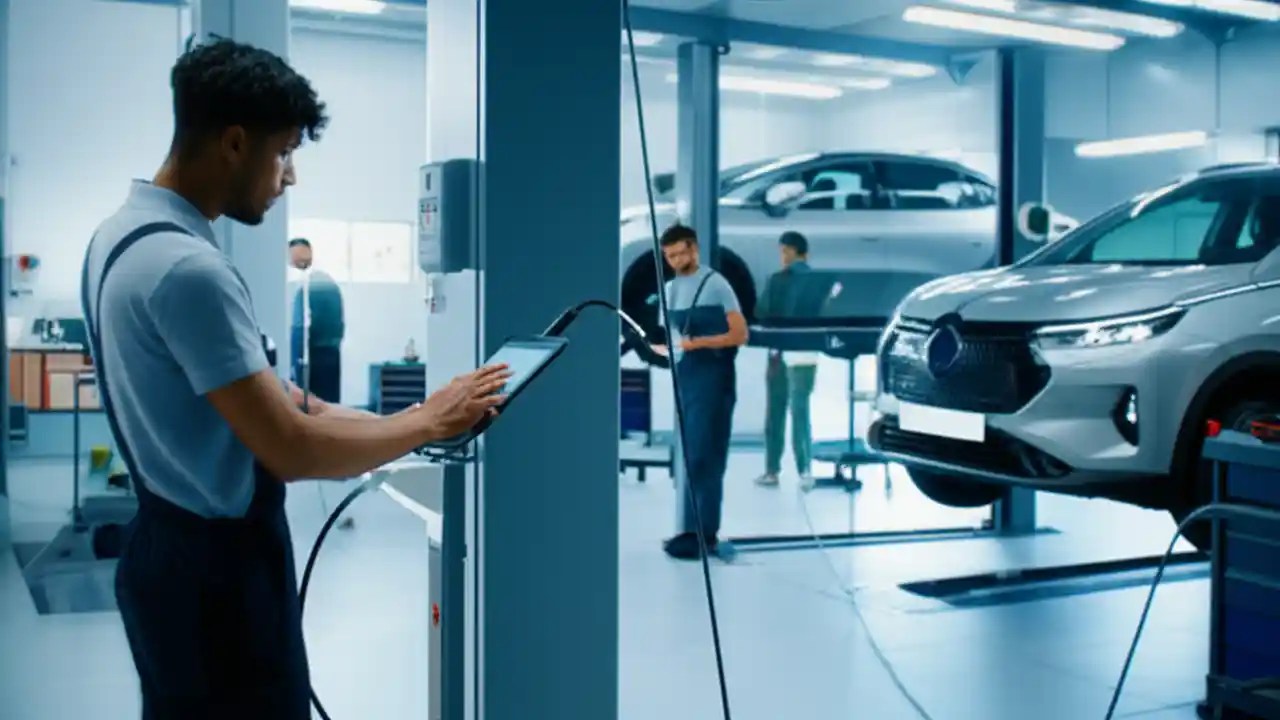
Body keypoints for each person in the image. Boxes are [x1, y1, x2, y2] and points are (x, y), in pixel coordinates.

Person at [79, 38, 509, 719]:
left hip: (163, 551)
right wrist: (431, 422)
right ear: (233, 142)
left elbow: (280, 403)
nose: (289, 176)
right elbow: (289, 447)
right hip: (218, 580)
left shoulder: (119, 237)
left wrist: (418, 417)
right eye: (284, 153)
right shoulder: (189, 270)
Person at [652, 223, 748, 560]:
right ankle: (690, 530)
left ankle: (706, 533)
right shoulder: (669, 290)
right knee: (692, 454)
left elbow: (740, 334)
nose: (677, 260)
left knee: (707, 454)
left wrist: (698, 343)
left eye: (681, 253)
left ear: (694, 249)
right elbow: (673, 339)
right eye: (670, 256)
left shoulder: (716, 285)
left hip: (714, 375)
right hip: (687, 376)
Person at [754, 231, 820, 491]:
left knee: (775, 413)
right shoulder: (817, 282)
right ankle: (805, 470)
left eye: (783, 252)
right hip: (805, 352)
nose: (782, 257)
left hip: (777, 353)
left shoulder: (777, 280)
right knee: (801, 411)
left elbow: (761, 312)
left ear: (792, 252)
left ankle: (772, 471)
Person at [288, 237, 344, 404]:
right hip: (330, 353)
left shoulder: (306, 284)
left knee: (310, 406)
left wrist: (294, 363)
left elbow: (298, 329)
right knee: (328, 405)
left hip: (313, 354)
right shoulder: (327, 282)